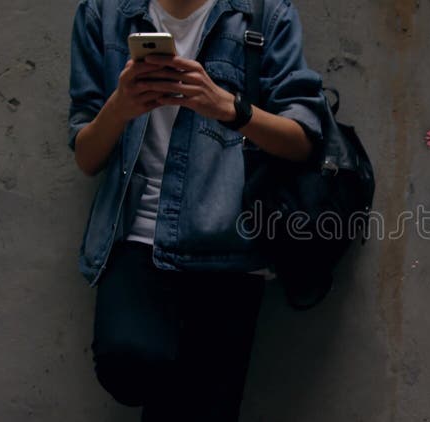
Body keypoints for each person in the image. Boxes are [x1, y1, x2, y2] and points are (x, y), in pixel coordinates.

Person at [67, 0, 326, 420]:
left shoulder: (263, 14)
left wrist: (230, 108)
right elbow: (86, 156)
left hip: (229, 248)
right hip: (137, 238)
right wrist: (120, 106)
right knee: (128, 361)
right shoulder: (105, 12)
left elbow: (302, 142)